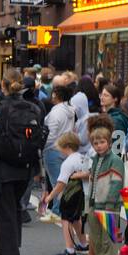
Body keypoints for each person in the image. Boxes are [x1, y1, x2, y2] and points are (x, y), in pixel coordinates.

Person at [0, 69, 42, 255]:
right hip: (25, 168)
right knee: (15, 209)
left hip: (2, 168)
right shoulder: (34, 109)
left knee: (4, 215)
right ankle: (14, 248)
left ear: (3, 85)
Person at [44, 131, 90, 255]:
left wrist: (49, 197)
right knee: (76, 219)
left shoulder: (67, 163)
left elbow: (61, 183)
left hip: (71, 194)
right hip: (83, 193)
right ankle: (83, 243)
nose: (59, 150)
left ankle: (70, 249)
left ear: (67, 147)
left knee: (66, 220)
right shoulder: (82, 158)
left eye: (60, 147)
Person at [85, 125, 125, 255]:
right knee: (96, 238)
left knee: (109, 240)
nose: (99, 146)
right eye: (95, 143)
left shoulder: (115, 160)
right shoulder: (96, 160)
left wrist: (110, 204)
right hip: (95, 204)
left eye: (102, 142)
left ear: (109, 142)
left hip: (109, 206)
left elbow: (116, 184)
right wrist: (90, 204)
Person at [41, 84, 77, 220]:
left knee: (57, 181)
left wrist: (43, 146)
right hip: (66, 148)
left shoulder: (55, 112)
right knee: (63, 180)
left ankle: (57, 210)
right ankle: (60, 208)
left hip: (53, 149)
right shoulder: (70, 111)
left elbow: (51, 133)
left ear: (56, 95)